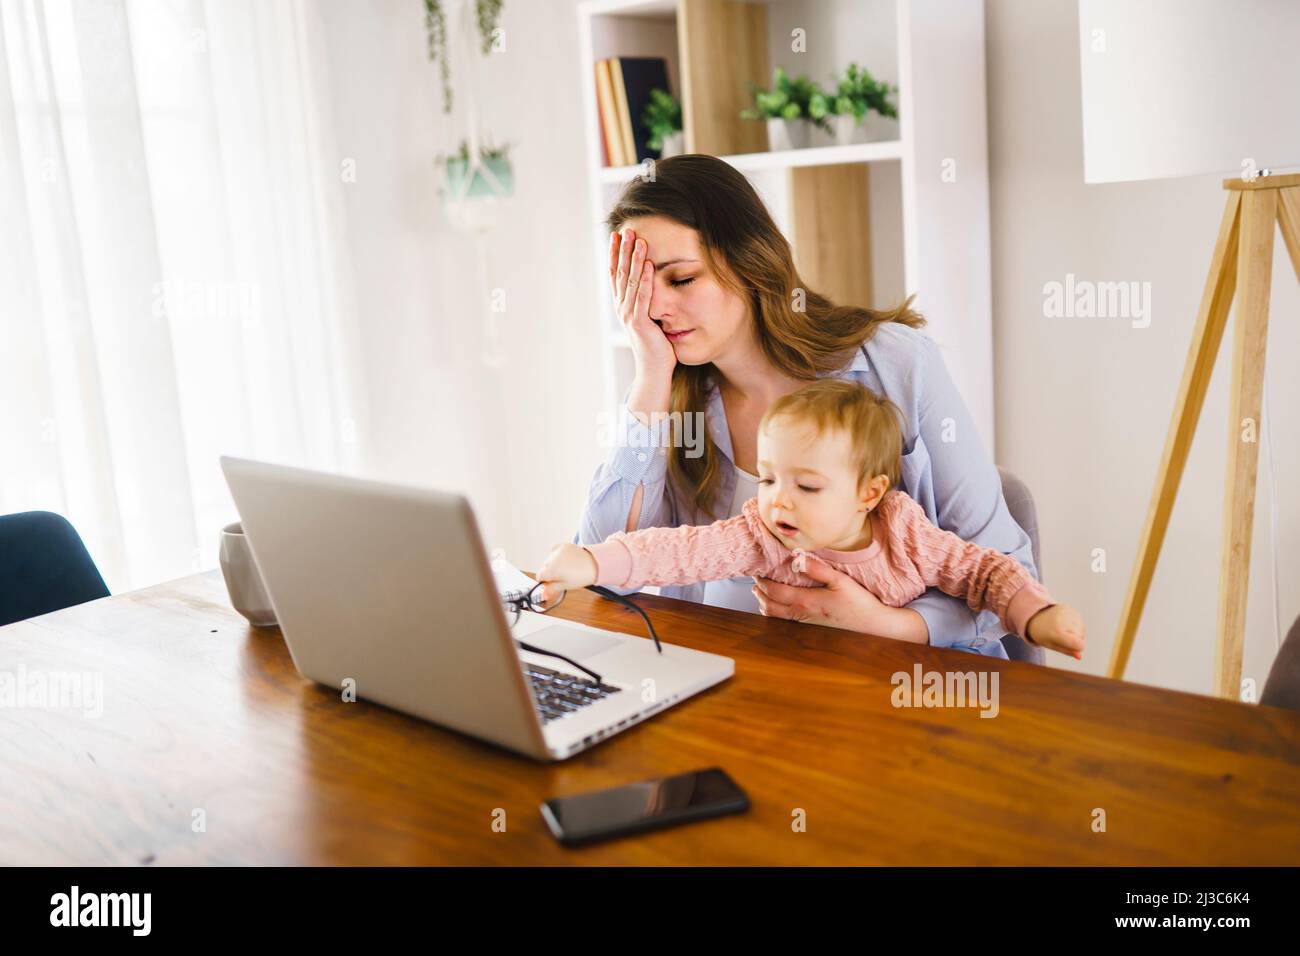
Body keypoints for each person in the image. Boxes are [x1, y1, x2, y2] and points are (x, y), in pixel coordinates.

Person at [567, 153, 1038, 659]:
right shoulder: (671, 402)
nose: (656, 309)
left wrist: (890, 625)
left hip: (906, 681)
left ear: (750, 262)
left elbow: (1010, 575)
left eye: (681, 279)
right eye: (639, 289)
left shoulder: (897, 366)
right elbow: (599, 575)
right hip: (752, 682)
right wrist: (651, 373)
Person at [543, 380, 1084, 659]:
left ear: (868, 493)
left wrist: (1038, 616)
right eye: (771, 478)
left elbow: (985, 573)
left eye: (806, 486)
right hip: (820, 691)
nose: (780, 500)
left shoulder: (903, 531)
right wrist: (592, 560)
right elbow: (682, 551)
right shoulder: (764, 532)